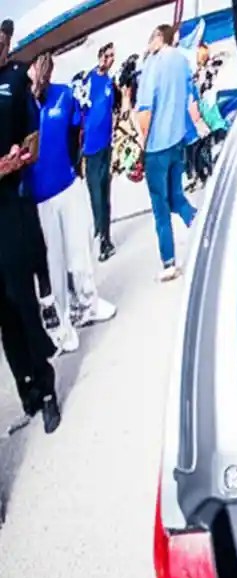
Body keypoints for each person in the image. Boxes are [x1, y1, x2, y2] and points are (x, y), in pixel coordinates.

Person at [25, 53, 118, 355]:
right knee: (54, 264)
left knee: (79, 251)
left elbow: (75, 133)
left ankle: (88, 304)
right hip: (39, 200)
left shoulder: (64, 94)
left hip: (67, 187)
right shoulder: (19, 107)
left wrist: (74, 170)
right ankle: (62, 327)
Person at [0, 25, 61, 434]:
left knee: (22, 299)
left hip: (11, 207)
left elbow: (32, 135)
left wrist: (22, 155)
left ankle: (47, 386)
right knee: (3, 313)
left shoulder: (17, 77)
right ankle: (27, 394)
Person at [134, 24, 205, 282]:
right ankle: (201, 226)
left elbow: (145, 110)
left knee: (160, 207)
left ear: (157, 37)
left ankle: (169, 262)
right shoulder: (181, 61)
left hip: (156, 147)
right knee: (176, 195)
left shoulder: (152, 64)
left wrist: (141, 144)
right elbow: (191, 99)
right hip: (178, 141)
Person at [81, 42, 118, 262]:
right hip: (91, 148)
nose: (110, 59)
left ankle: (107, 237)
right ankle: (99, 237)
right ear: (99, 56)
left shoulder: (109, 83)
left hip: (106, 146)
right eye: (107, 55)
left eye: (112, 56)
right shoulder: (88, 79)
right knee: (96, 195)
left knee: (105, 193)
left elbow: (111, 109)